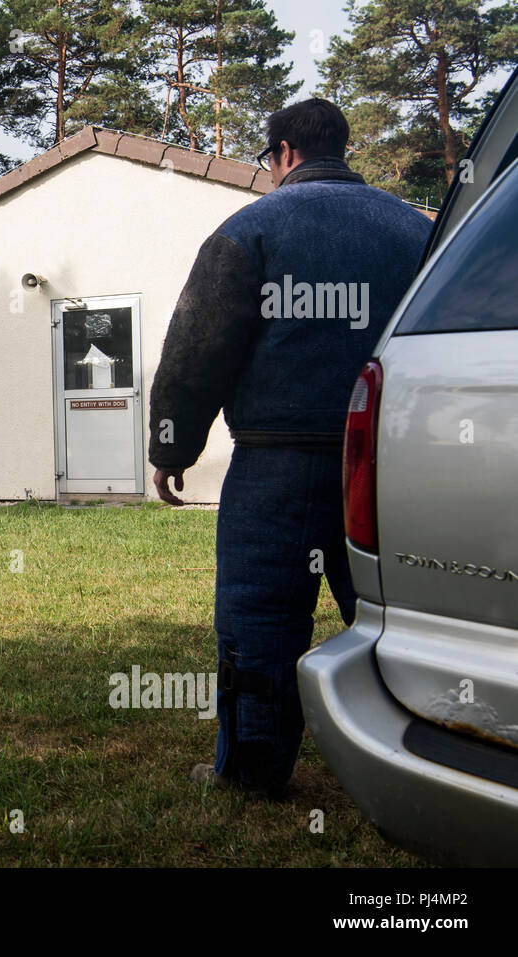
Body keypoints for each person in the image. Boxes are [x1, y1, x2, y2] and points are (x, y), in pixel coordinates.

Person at [147, 99, 432, 798]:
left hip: (278, 466)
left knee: (260, 620)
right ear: (341, 147)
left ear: (282, 153)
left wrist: (173, 444)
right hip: (387, 462)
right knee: (395, 622)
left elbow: (198, 347)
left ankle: (252, 770)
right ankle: (424, 762)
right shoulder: (420, 233)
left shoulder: (250, 230)